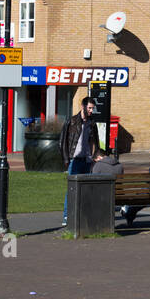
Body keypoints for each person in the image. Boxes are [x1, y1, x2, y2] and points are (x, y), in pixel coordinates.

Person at [59, 97, 98, 227]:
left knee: (87, 189)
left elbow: (95, 142)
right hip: (74, 160)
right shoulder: (72, 121)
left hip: (87, 160)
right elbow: (62, 141)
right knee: (71, 189)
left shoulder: (92, 123)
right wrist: (66, 159)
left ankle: (85, 215)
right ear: (83, 106)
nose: (91, 110)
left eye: (93, 108)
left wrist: (93, 158)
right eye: (90, 108)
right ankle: (66, 215)